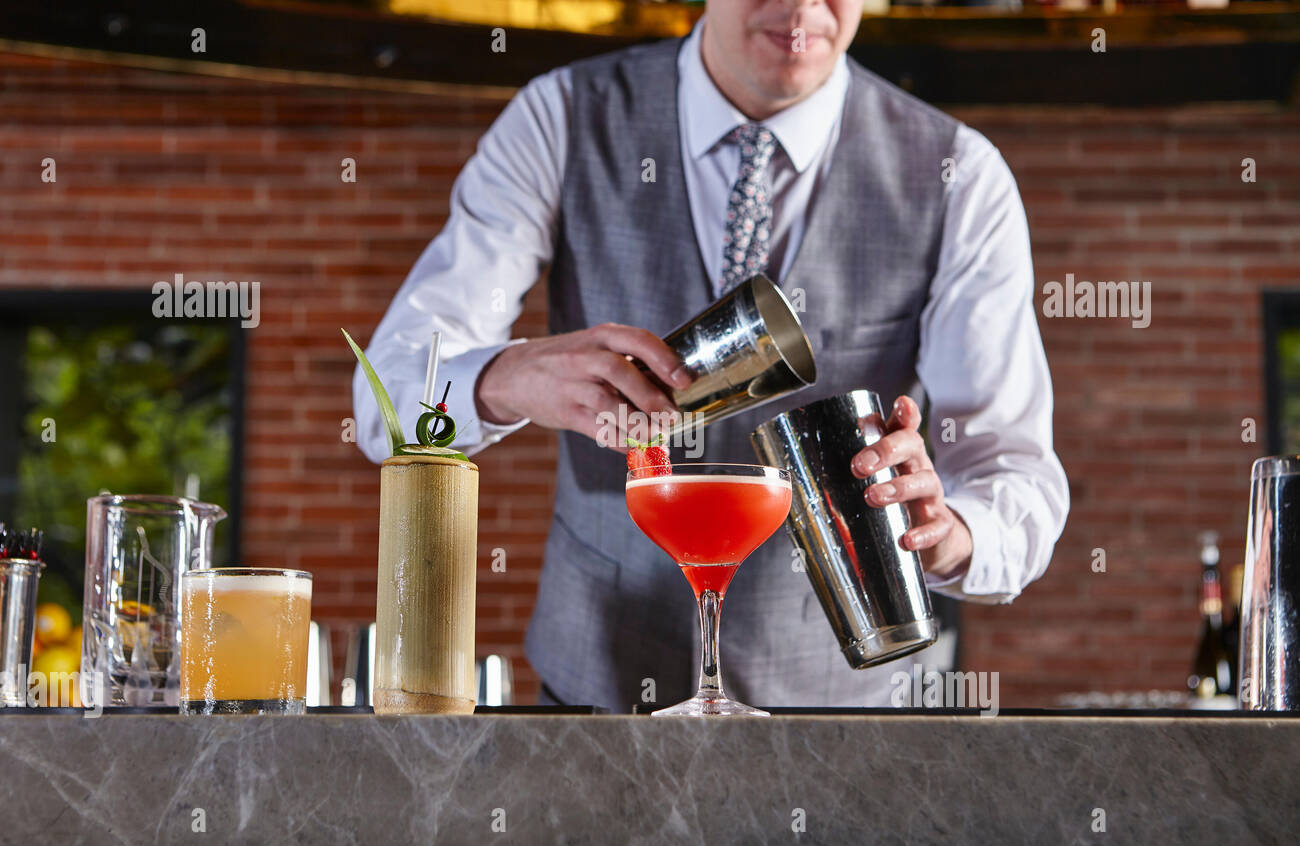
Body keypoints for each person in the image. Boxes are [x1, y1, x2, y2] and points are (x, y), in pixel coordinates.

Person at [354, 0, 1070, 711]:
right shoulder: (562, 116)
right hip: (596, 704)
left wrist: (954, 535)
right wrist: (500, 378)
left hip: (846, 727)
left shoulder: (959, 176)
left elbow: (1014, 470)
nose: (800, 6)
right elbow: (383, 400)